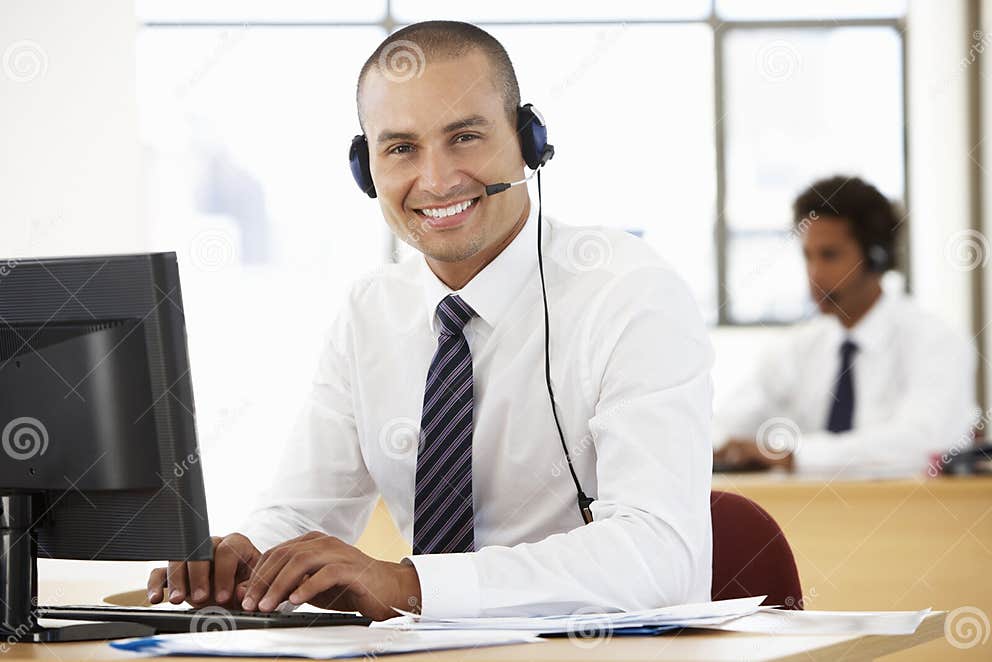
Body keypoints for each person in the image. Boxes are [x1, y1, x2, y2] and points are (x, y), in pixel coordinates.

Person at [147, 21, 714, 620]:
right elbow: (304, 511)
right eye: (400, 148)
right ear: (366, 169)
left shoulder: (630, 295)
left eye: (465, 137)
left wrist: (411, 587)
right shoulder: (370, 312)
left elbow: (661, 557)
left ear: (529, 141)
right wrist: (248, 557)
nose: (437, 179)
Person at [714, 175, 976, 477]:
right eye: (807, 256)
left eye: (830, 255)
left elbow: (921, 446)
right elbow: (723, 426)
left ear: (877, 257)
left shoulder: (935, 341)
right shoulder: (797, 348)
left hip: (912, 519)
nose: (814, 274)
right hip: (814, 520)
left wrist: (792, 456)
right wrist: (727, 446)